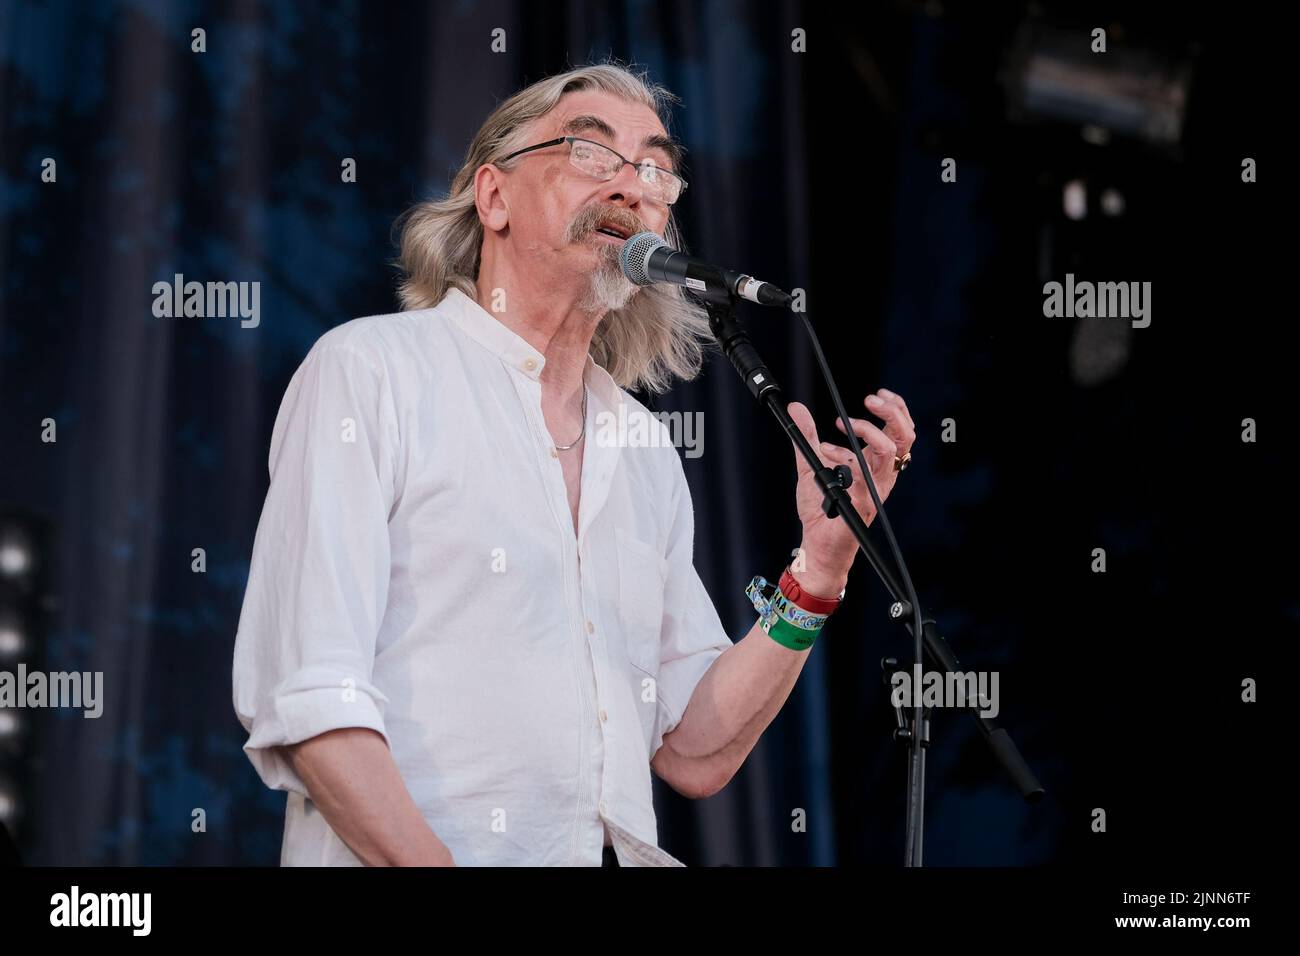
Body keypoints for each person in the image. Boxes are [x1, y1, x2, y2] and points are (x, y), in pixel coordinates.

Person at [231, 61, 915, 867]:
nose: (633, 187)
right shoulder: (371, 372)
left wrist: (819, 573)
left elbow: (695, 749)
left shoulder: (644, 448)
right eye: (592, 153)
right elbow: (314, 696)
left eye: (656, 169)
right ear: (493, 198)